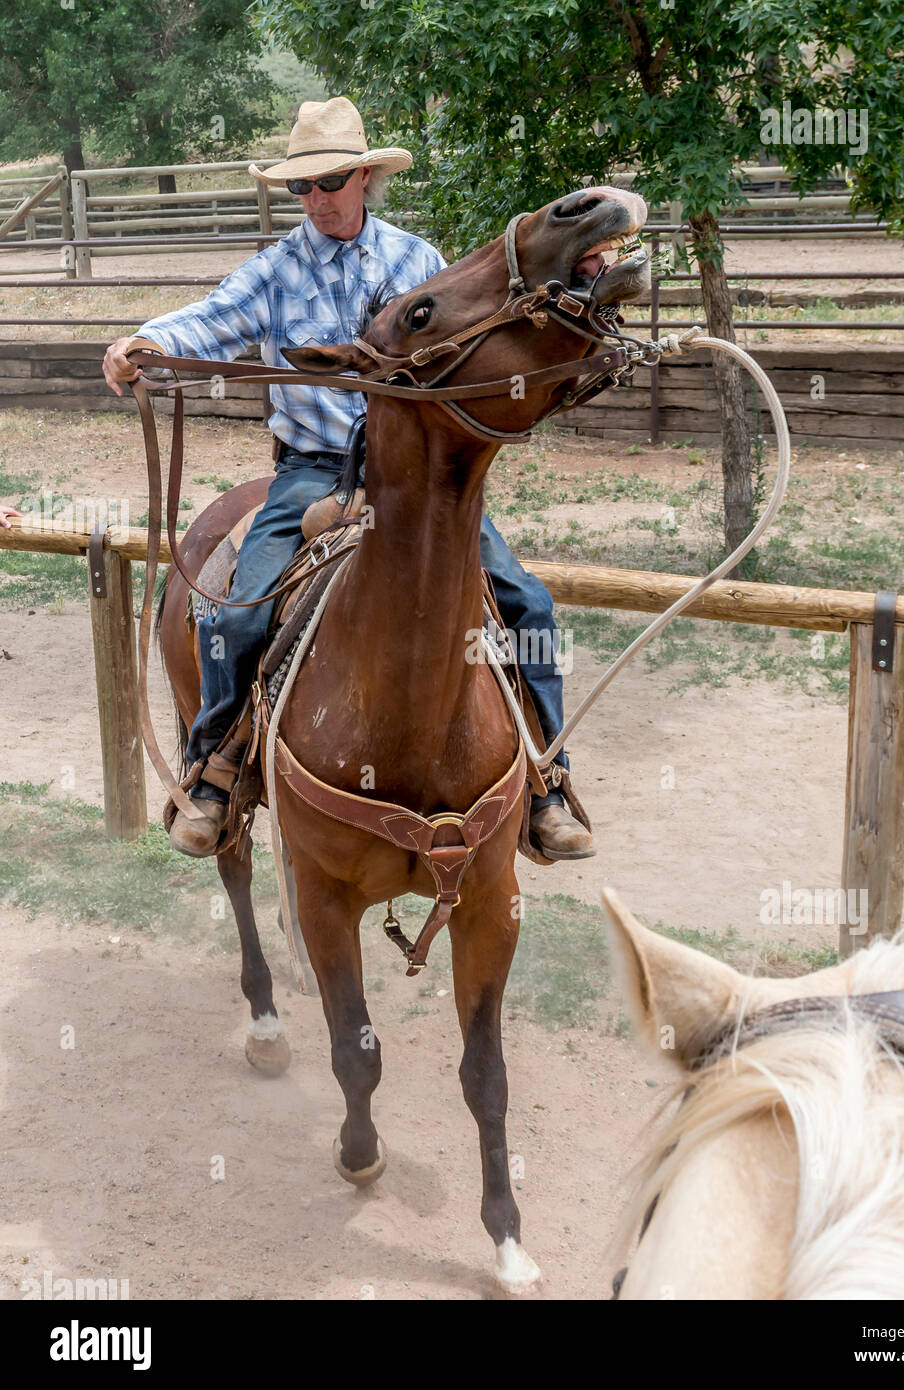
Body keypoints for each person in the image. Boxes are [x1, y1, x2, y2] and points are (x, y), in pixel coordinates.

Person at [103, 97, 594, 862]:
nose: (317, 198)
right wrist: (144, 340)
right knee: (232, 616)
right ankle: (218, 770)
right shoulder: (273, 271)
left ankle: (546, 777)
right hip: (309, 473)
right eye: (301, 187)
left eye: (330, 180)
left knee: (528, 603)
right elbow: (211, 317)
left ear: (364, 176)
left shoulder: (418, 263)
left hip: (421, 481)